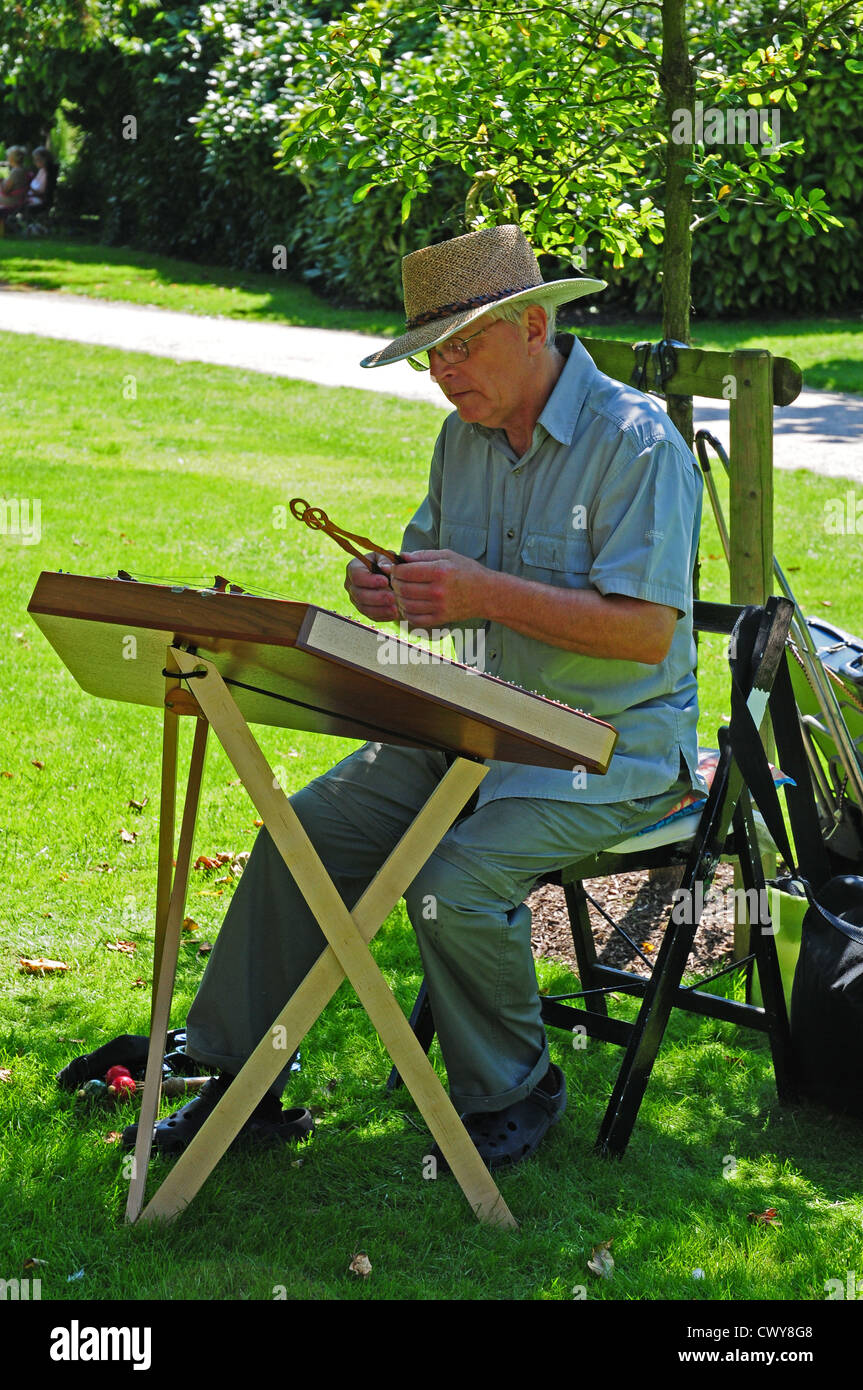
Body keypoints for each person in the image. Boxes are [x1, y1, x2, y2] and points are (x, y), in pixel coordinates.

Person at [124, 224, 705, 1171]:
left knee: (452, 885)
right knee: (302, 834)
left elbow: (645, 633)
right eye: (429, 355)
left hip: (604, 747)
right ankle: (238, 1075)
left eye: (459, 346)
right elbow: (441, 585)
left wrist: (482, 593)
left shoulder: (635, 442)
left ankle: (512, 1089)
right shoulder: (461, 439)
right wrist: (391, 590)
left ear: (532, 325)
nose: (441, 372)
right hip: (468, 726)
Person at [0, 146, 29, 218]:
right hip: (18, 199)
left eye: (8, 156)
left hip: (11, 202)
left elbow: (5, 191)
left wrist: (1, 182)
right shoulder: (22, 169)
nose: (7, 158)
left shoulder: (15, 172)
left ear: (11, 158)